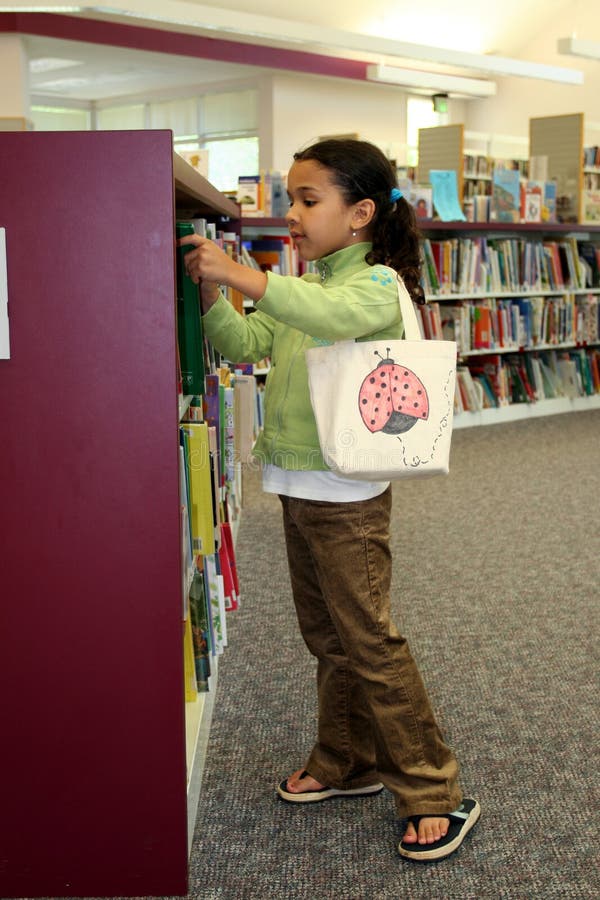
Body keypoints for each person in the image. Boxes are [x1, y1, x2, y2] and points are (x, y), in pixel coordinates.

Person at [179, 138, 480, 862]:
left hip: (346, 490)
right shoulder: (306, 283)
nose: (292, 212)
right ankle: (346, 760)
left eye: (309, 200)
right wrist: (215, 290)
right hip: (298, 484)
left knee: (370, 641)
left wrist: (244, 273)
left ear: (361, 214)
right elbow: (250, 337)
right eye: (290, 198)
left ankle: (433, 788)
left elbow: (329, 314)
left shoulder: (371, 287)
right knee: (330, 640)